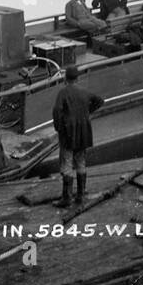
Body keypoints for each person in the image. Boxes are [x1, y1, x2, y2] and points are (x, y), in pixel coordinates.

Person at [50, 65, 104, 208]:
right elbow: (99, 101)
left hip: (68, 132)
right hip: (84, 131)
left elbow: (57, 111)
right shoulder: (84, 91)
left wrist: (59, 126)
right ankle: (80, 195)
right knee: (81, 161)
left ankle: (67, 198)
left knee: (67, 162)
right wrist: (87, 113)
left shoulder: (63, 93)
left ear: (66, 78)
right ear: (78, 78)